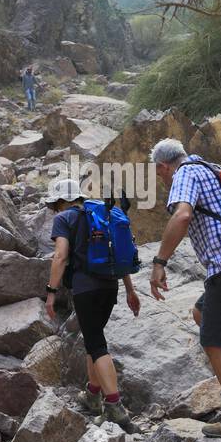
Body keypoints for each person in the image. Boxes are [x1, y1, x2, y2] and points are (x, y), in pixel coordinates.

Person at [148, 138, 221, 439]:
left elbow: (183, 215)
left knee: (213, 341)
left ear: (163, 166)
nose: (162, 179)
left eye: (159, 174)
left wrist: (159, 261)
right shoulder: (210, 167)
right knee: (202, 312)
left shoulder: (184, 173)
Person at [44, 178, 141, 429]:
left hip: (86, 289)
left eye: (55, 205)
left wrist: (51, 292)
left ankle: (114, 406)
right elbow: (118, 253)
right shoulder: (102, 213)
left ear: (61, 202)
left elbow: (60, 256)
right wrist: (130, 290)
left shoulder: (64, 219)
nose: (55, 210)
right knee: (92, 339)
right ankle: (92, 394)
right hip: (110, 286)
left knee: (97, 345)